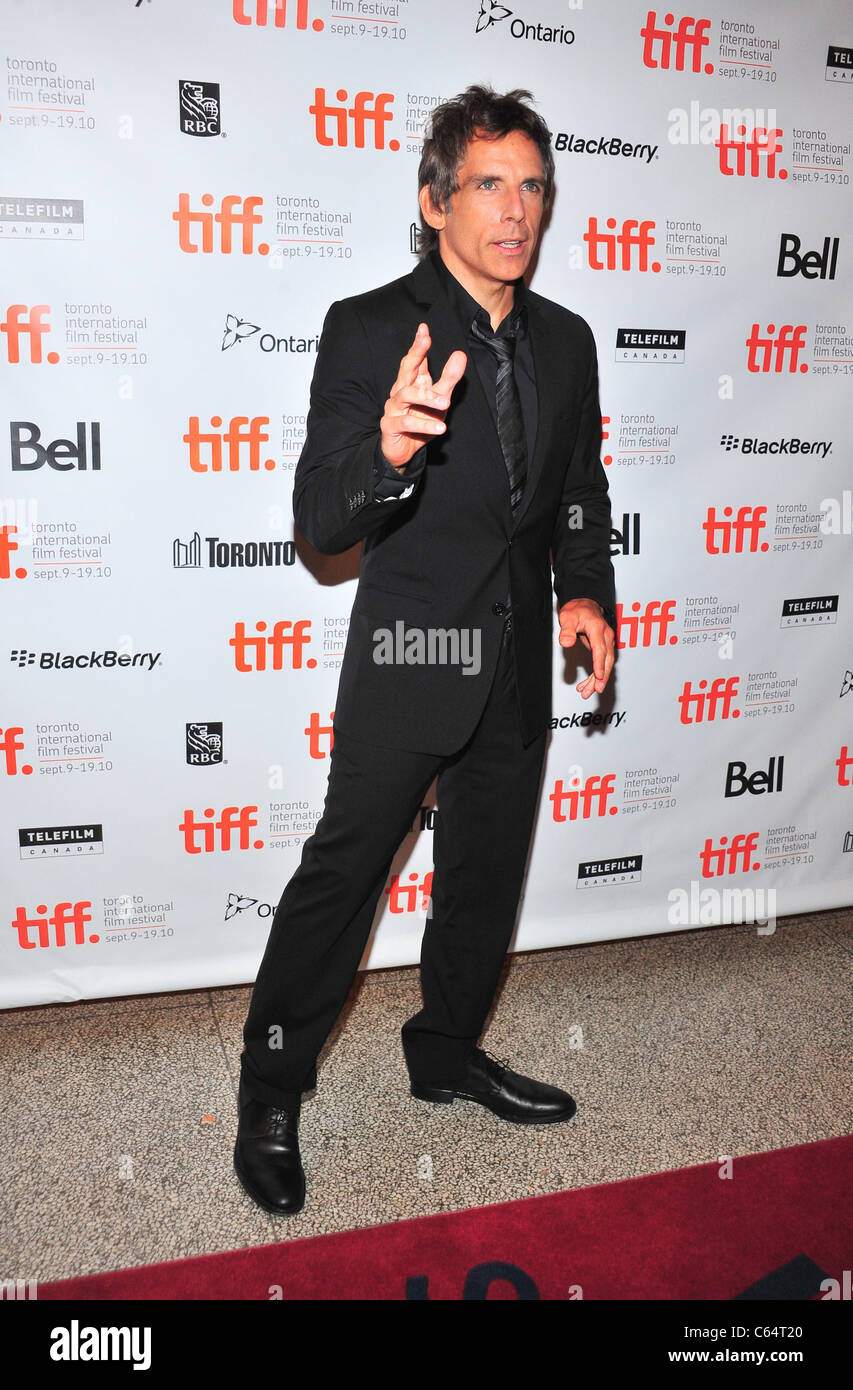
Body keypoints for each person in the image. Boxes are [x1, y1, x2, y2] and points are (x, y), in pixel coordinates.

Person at [235, 85, 617, 1215]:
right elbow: (320, 517)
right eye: (489, 184)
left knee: (485, 878)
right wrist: (389, 453)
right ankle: (271, 1082)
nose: (516, 210)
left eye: (532, 185)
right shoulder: (370, 326)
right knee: (347, 872)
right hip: (410, 648)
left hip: (514, 658)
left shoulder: (566, 339)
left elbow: (578, 490)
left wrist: (586, 594)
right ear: (433, 199)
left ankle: (445, 1051)